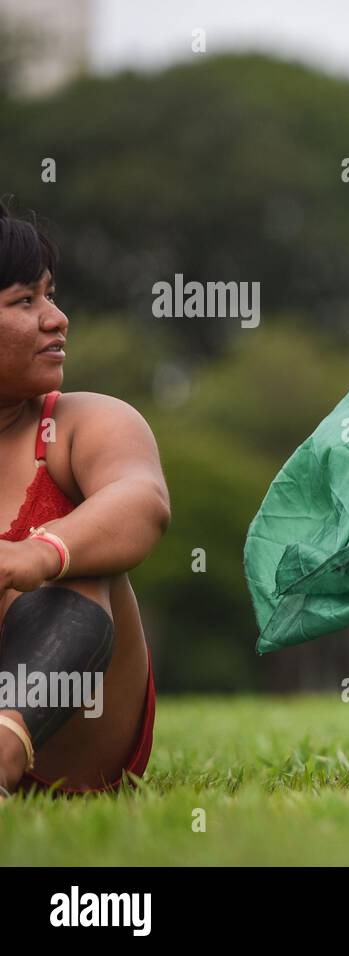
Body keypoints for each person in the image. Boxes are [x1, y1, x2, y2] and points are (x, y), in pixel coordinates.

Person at [0, 201, 170, 798]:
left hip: (75, 747)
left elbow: (141, 502)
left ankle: (4, 744)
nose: (57, 319)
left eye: (50, 296)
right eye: (26, 301)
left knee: (79, 560)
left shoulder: (81, 423)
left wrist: (39, 553)